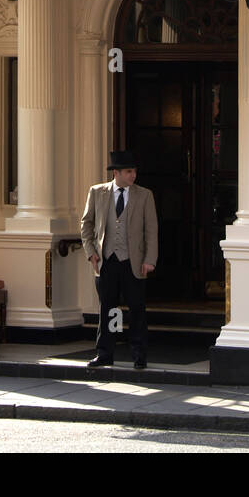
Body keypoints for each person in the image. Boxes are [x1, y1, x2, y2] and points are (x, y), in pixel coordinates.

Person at [80, 149, 158, 370]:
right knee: (109, 309)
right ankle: (105, 353)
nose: (133, 175)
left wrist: (150, 259)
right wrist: (90, 252)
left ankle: (139, 354)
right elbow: (86, 224)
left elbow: (151, 231)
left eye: (134, 171)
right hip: (106, 261)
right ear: (116, 173)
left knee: (137, 309)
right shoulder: (97, 192)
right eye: (128, 171)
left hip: (133, 262)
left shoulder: (144, 195)